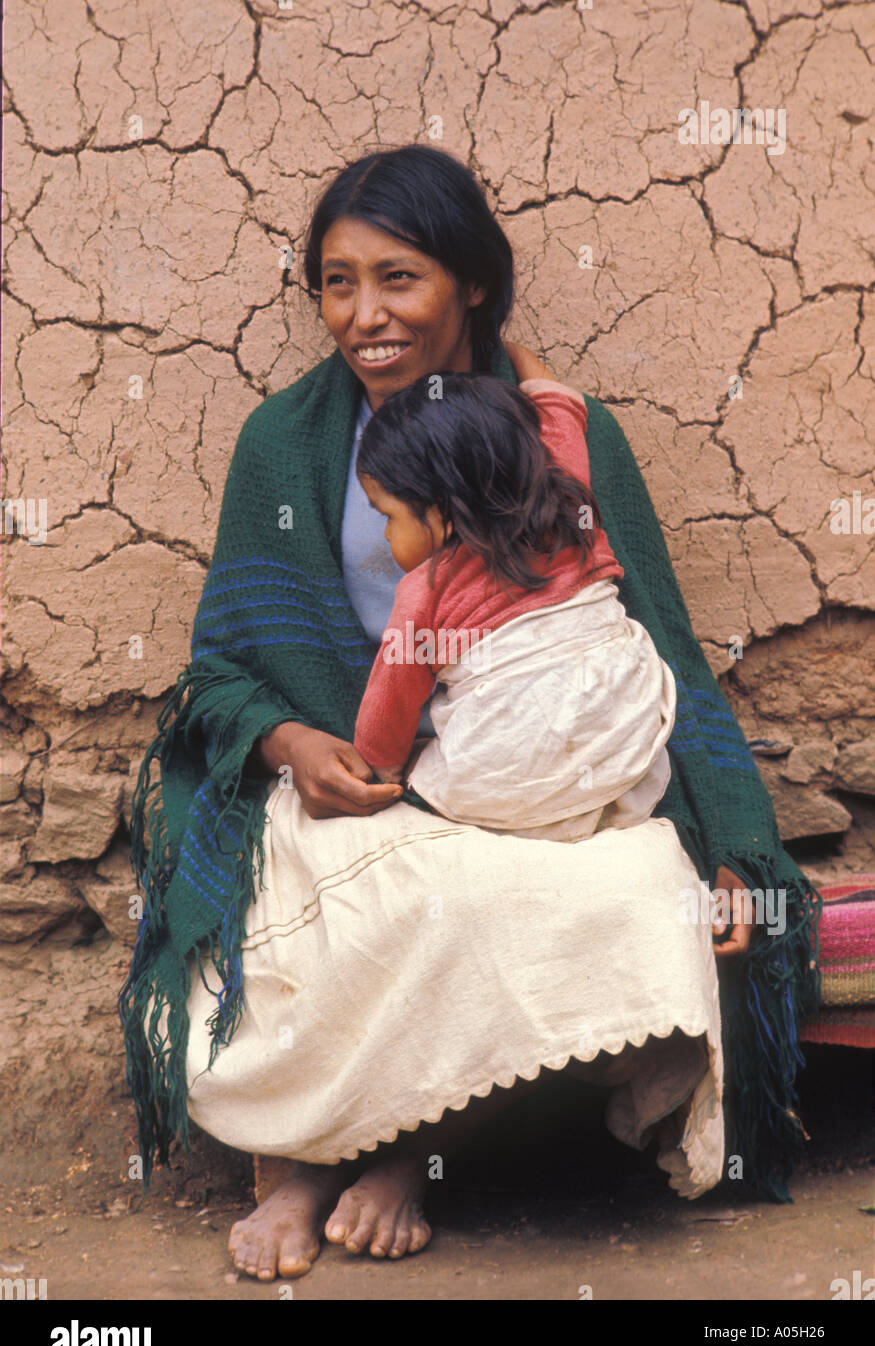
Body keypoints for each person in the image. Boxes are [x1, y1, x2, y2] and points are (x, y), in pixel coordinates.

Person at [120, 144, 821, 1284]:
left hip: (527, 794)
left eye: (398, 278)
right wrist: (294, 742)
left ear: (473, 283)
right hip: (354, 787)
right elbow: (217, 667)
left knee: (634, 898)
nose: (364, 315)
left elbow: (663, 657)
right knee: (385, 890)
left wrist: (739, 845)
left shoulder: (564, 436)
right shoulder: (282, 447)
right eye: (337, 283)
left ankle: (410, 1147)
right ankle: (313, 1161)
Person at [353, 370, 677, 842]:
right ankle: (592, 810)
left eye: (388, 516)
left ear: (442, 510)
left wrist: (380, 765)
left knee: (435, 767)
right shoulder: (567, 505)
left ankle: (531, 818)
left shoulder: (426, 589)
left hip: (506, 769)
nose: (385, 534)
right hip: (627, 741)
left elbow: (390, 702)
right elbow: (562, 417)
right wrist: (532, 371)